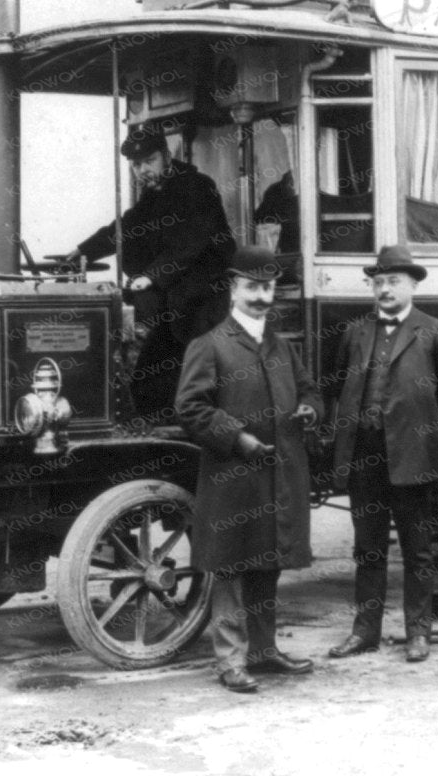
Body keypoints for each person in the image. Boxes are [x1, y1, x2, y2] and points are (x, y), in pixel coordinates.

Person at [175, 246, 322, 693]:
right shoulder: (210, 345)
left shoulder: (281, 347)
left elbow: (311, 390)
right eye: (252, 287)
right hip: (234, 476)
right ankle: (231, 660)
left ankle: (263, 652)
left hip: (278, 475)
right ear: (234, 289)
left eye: (268, 287)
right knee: (232, 568)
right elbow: (190, 407)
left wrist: (310, 409)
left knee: (267, 563)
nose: (261, 296)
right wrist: (237, 438)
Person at [326, 245, 438, 664]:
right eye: (379, 282)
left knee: (417, 549)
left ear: (413, 285)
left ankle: (417, 634)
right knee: (367, 550)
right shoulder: (355, 332)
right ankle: (364, 632)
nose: (384, 289)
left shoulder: (436, 331)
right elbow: (337, 387)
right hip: (363, 455)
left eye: (393, 282)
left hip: (412, 457)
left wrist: (424, 436)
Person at [69, 123, 236, 418]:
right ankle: (158, 427)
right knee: (152, 376)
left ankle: (199, 428)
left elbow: (192, 242)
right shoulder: (155, 193)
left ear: (166, 156)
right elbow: (126, 227)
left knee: (195, 373)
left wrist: (152, 276)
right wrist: (83, 251)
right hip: (173, 302)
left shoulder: (197, 187)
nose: (142, 170)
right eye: (136, 165)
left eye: (149, 161)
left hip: (203, 301)